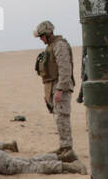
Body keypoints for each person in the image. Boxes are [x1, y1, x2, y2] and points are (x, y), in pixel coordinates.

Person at [33, 20, 77, 160]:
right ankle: (63, 147)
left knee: (62, 117)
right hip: (53, 86)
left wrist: (60, 89)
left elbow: (65, 68)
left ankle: (67, 149)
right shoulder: (52, 46)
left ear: (48, 33)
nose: (40, 39)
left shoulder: (59, 45)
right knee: (58, 118)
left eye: (41, 36)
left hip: (60, 86)